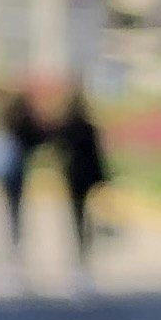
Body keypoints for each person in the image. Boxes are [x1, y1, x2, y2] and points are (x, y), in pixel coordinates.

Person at [0, 88, 43, 278]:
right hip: (15, 169)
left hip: (11, 169)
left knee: (10, 210)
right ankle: (14, 247)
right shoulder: (20, 121)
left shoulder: (8, 119)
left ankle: (12, 248)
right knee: (14, 210)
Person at [51, 84, 113, 289]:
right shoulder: (87, 127)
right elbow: (98, 155)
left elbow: (58, 151)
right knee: (86, 219)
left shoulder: (67, 127)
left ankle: (78, 261)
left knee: (77, 218)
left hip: (74, 177)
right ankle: (82, 259)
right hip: (87, 177)